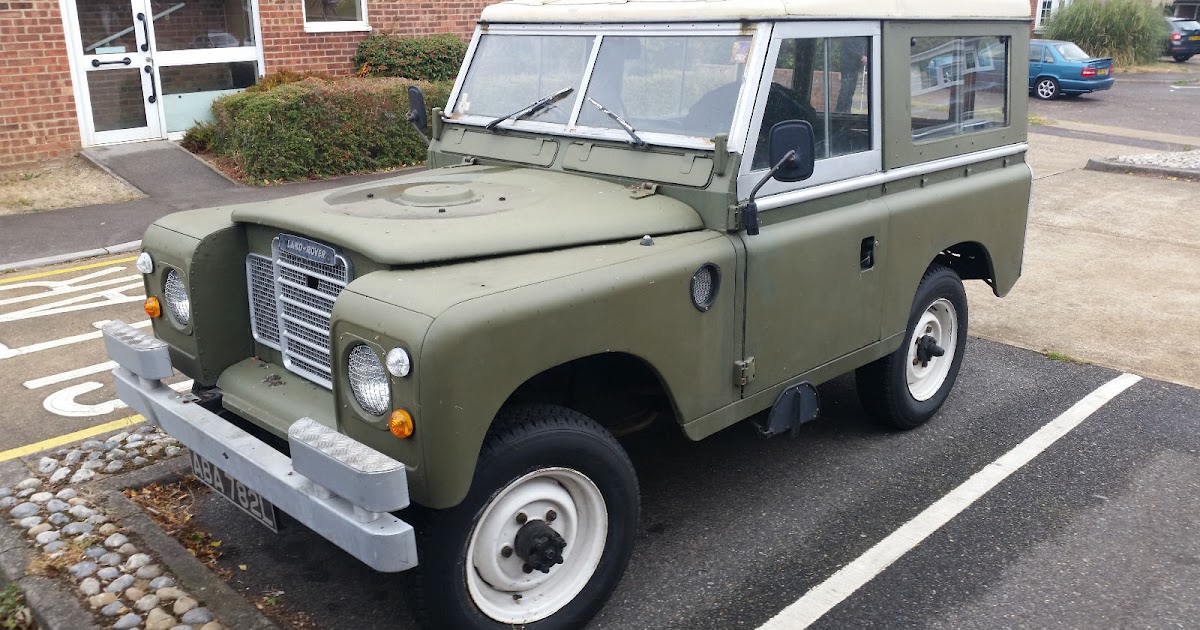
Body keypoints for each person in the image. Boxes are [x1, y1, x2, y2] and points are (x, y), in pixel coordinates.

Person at [836, 38, 868, 113]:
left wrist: (866, 56)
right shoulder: (849, 37)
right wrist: (861, 57)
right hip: (847, 65)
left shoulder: (863, 38)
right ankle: (840, 112)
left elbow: (866, 47)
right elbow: (849, 47)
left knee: (850, 91)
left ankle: (847, 111)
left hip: (855, 67)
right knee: (845, 90)